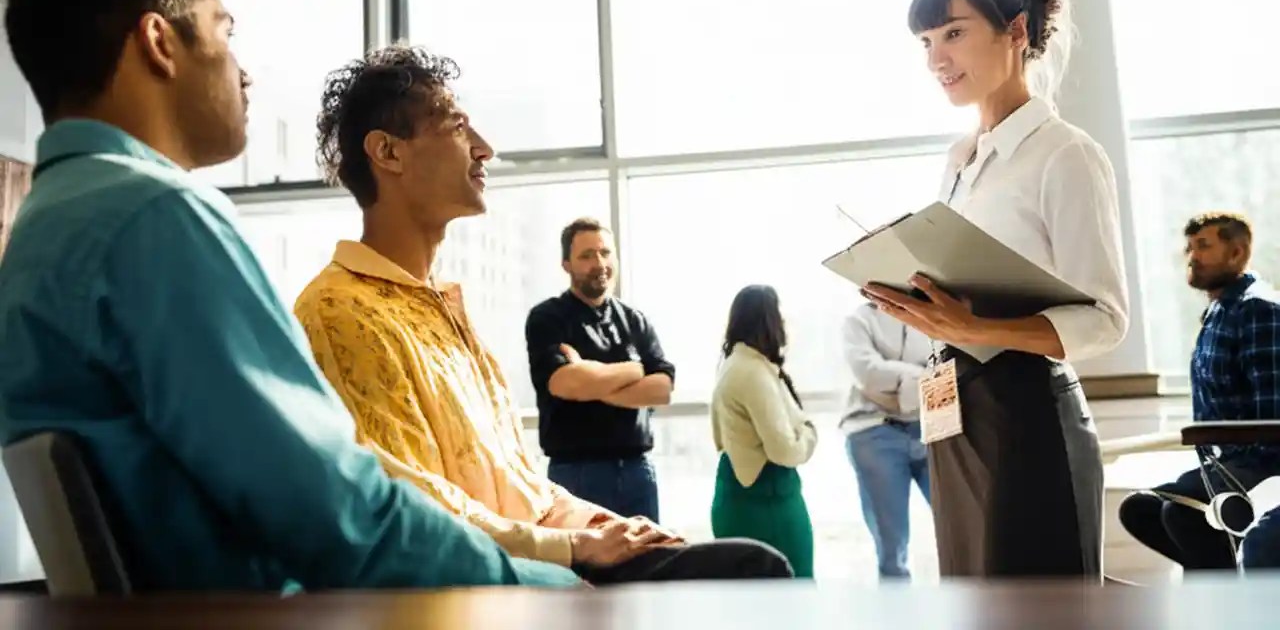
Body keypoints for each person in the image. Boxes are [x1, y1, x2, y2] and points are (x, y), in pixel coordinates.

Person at [0, 0, 578, 592]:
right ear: (159, 42)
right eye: (225, 31)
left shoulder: (47, 227)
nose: (242, 71)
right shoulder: (153, 219)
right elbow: (338, 514)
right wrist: (549, 583)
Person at [292, 44, 793, 585]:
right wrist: (576, 546)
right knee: (753, 570)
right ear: (388, 153)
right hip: (497, 577)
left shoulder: (445, 308)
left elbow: (521, 484)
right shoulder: (339, 310)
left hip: (549, 547)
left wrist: (605, 526)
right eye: (458, 126)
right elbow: (419, 507)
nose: (485, 149)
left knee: (743, 565)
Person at [862, 0, 1129, 580]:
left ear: (1015, 32)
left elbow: (1105, 319)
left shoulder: (1065, 154)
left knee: (1038, 609)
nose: (936, 59)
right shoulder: (960, 161)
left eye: (953, 33)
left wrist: (974, 327)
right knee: (974, 601)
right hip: (955, 411)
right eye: (926, 42)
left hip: (1027, 415)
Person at [1118, 213, 1280, 570]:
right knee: (1140, 509)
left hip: (1262, 463)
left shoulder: (1258, 310)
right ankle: (1219, 588)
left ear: (1237, 252)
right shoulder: (1218, 312)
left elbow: (1273, 415)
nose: (1192, 256)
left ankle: (1224, 606)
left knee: (1184, 514)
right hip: (1223, 462)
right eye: (1190, 247)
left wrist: (1235, 475)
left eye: (1204, 246)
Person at [524, 218, 674, 521]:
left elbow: (662, 389)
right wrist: (633, 371)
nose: (599, 263)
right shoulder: (547, 318)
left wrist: (595, 382)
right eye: (586, 255)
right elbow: (566, 384)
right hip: (577, 476)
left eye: (605, 253)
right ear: (566, 264)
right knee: (585, 569)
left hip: (638, 472)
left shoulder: (635, 320)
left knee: (647, 566)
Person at [710, 285, 817, 578]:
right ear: (768, 320)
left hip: (742, 494)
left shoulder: (734, 365)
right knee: (793, 598)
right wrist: (809, 434)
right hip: (768, 501)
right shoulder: (754, 373)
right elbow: (783, 451)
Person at [840, 302, 932, 579]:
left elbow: (950, 370)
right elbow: (868, 373)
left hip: (932, 428)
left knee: (964, 531)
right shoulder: (859, 320)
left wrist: (894, 386)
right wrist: (922, 379)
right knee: (892, 550)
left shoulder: (931, 316)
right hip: (875, 433)